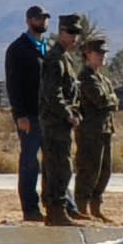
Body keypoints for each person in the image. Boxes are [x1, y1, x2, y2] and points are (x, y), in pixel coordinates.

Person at [33, 13, 87, 224]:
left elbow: (70, 93)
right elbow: (52, 93)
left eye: (77, 33)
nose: (74, 38)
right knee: (59, 168)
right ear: (61, 32)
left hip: (62, 122)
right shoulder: (55, 58)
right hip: (55, 123)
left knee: (58, 166)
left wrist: (75, 112)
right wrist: (67, 114)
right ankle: (56, 210)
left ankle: (57, 209)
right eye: (70, 33)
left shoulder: (65, 57)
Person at [0, 4, 52, 221]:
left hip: (48, 115)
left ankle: (55, 205)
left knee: (53, 162)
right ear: (29, 20)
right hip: (28, 116)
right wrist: (19, 114)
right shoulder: (18, 49)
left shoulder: (46, 49)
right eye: (39, 19)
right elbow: (13, 85)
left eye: (45, 19)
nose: (43, 22)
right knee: (30, 162)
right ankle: (30, 209)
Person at [73, 33, 119, 222]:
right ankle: (82, 207)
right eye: (98, 53)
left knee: (104, 171)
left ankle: (96, 207)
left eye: (103, 53)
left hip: (105, 130)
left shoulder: (102, 79)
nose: (102, 56)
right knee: (89, 170)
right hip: (89, 132)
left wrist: (111, 100)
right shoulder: (86, 77)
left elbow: (114, 101)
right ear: (88, 54)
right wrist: (112, 100)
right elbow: (102, 100)